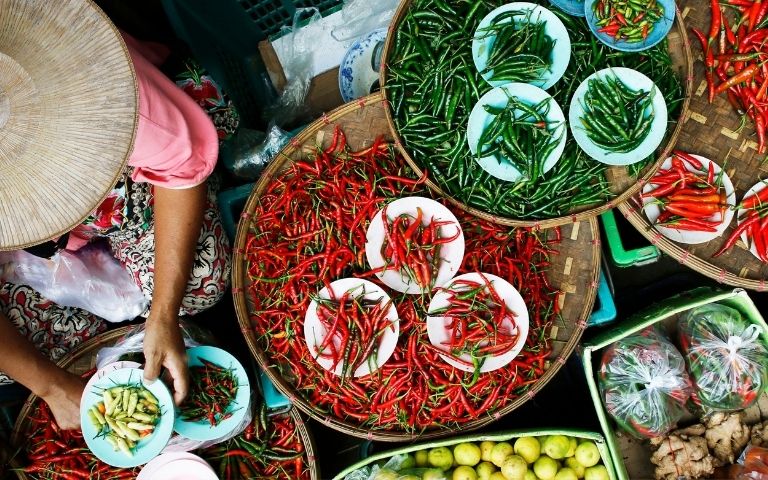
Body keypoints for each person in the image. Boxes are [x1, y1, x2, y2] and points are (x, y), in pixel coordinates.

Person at [0, 4, 231, 430]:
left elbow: (179, 167)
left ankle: (150, 325)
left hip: (127, 181)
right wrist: (51, 386)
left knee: (200, 283)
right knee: (22, 362)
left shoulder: (101, 89)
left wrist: (163, 314)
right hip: (43, 244)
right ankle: (120, 340)